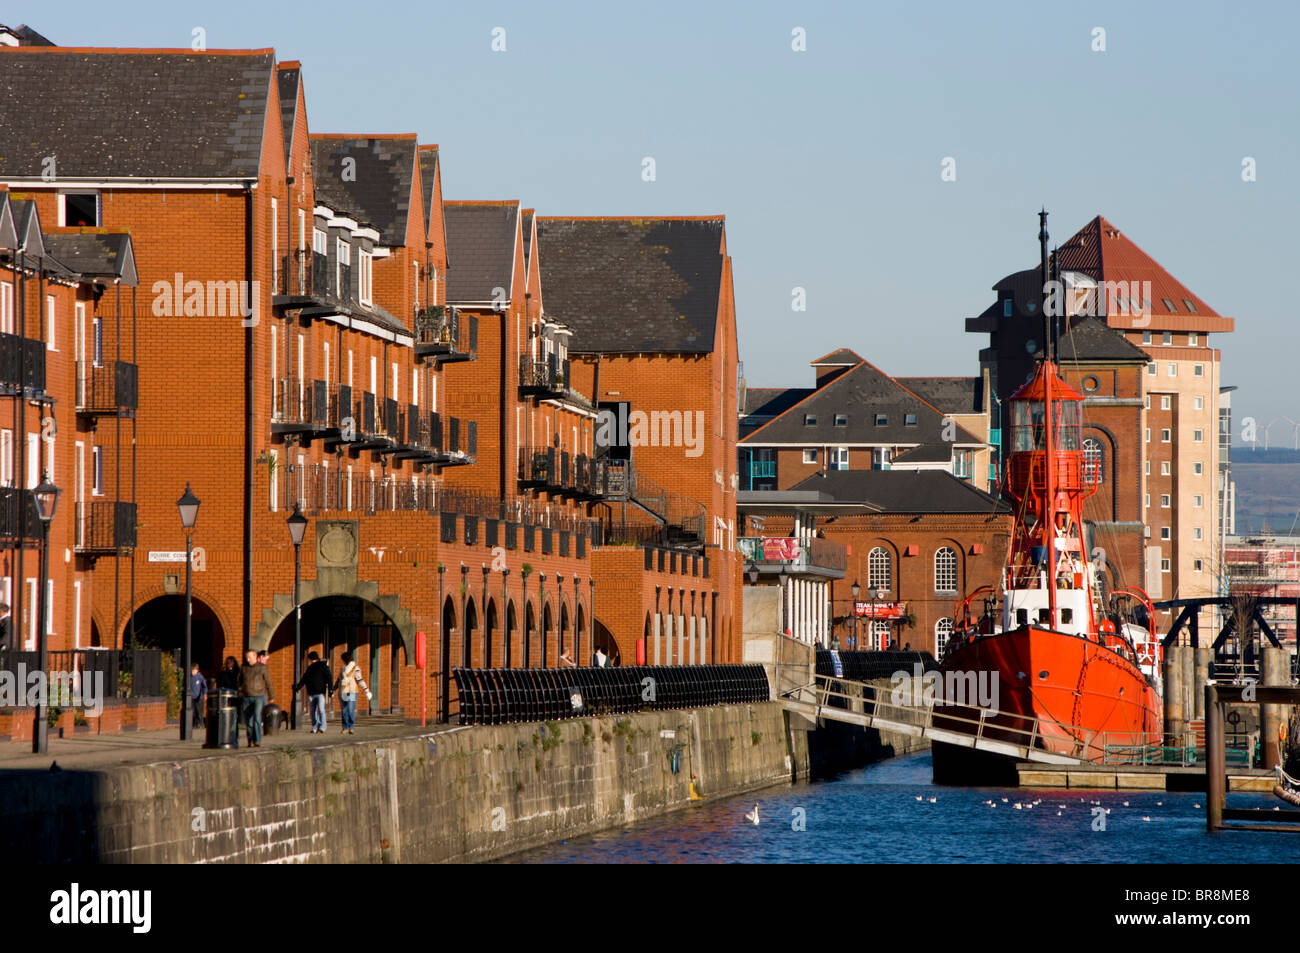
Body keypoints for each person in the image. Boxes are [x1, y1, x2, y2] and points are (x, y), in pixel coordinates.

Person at [237, 650, 274, 747]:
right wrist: (240, 691)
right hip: (246, 696)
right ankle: (250, 741)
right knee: (249, 721)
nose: (248, 659)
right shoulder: (243, 668)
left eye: (250, 657)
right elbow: (238, 681)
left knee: (257, 718)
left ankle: (257, 740)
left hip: (259, 696)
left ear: (255, 656)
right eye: (247, 658)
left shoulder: (262, 667)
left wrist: (271, 696)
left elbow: (268, 682)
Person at [293, 651, 333, 733]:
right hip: (318, 691)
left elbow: (304, 678)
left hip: (314, 692)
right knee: (319, 710)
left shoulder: (317, 667)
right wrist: (330, 689)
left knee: (314, 711)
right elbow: (329, 678)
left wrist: (298, 686)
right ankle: (319, 726)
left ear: (311, 659)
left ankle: (319, 726)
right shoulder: (318, 667)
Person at [333, 651, 371, 734]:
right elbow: (339, 679)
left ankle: (351, 727)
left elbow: (359, 679)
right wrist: (334, 688)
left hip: (352, 690)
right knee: (344, 711)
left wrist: (366, 690)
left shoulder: (355, 668)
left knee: (350, 709)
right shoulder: (342, 668)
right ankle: (345, 727)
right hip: (343, 690)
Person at [188, 663, 207, 730]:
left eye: (194, 671)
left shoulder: (200, 677)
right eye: (191, 671)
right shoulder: (189, 677)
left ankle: (200, 724)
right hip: (191, 697)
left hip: (199, 697)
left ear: (197, 670)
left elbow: (204, 686)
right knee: (192, 711)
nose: (192, 672)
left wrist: (204, 694)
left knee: (199, 711)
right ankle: (194, 724)